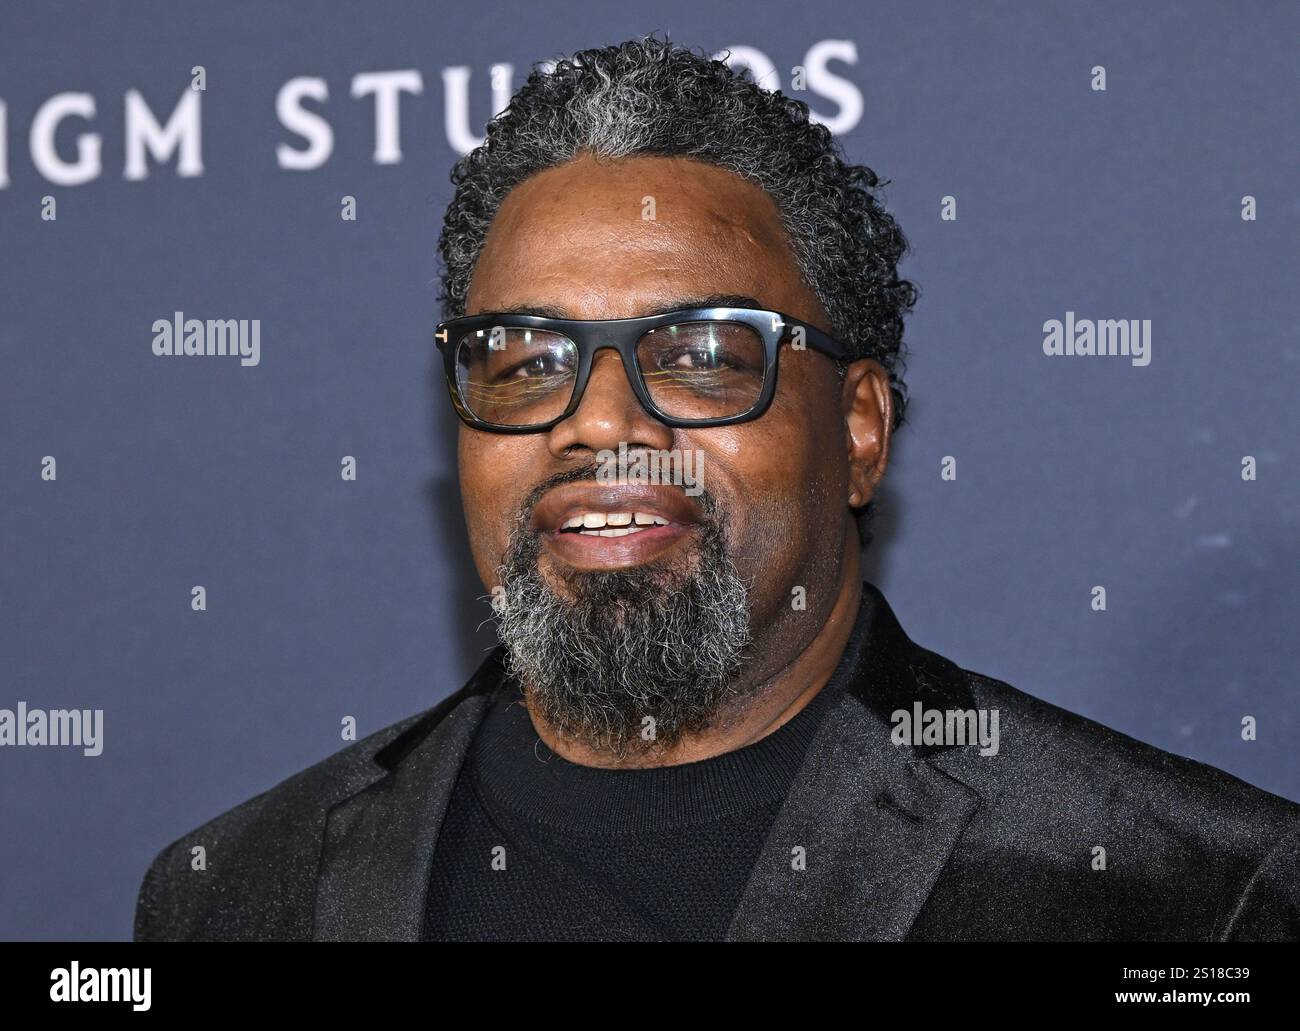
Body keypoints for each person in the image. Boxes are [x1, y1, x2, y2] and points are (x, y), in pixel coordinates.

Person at [134, 35, 1300, 942]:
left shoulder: (1179, 892)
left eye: (699, 352)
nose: (598, 420)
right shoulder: (241, 884)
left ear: (858, 430)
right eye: (527, 357)